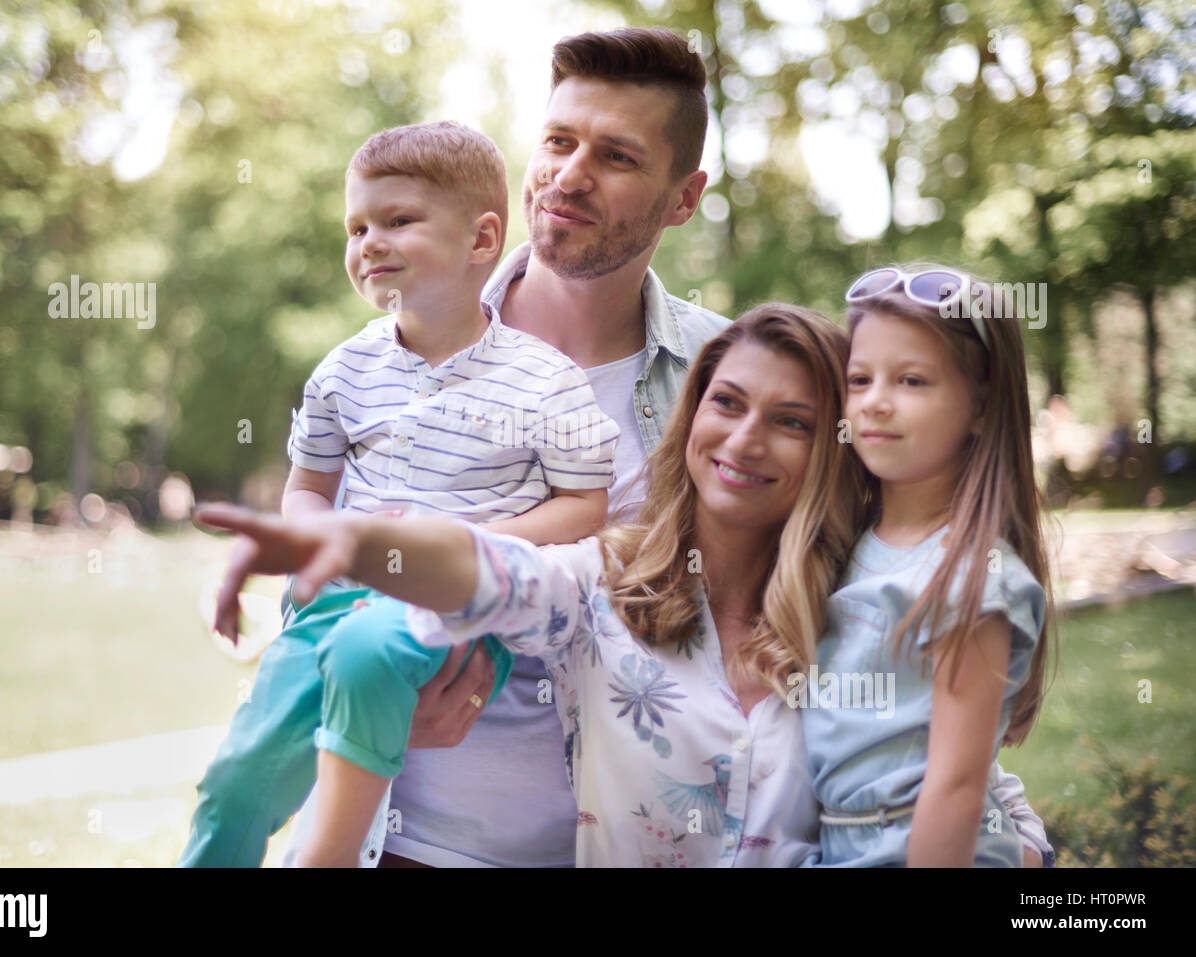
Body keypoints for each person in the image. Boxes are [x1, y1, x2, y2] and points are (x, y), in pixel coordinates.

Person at [290, 26, 1053, 868]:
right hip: (395, 836)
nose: (570, 175)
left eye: (616, 156)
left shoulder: (733, 388)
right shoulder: (393, 351)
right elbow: (309, 566)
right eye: (558, 141)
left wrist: (1004, 821)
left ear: (683, 198)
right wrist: (356, 690)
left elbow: (869, 599)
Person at [202, 304, 860, 865]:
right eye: (728, 401)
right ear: (692, 414)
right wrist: (350, 538)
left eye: (791, 421)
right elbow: (480, 567)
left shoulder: (863, 618)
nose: (746, 439)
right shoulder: (603, 587)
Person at [179, 121, 621, 867]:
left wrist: (472, 541)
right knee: (237, 781)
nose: (369, 243)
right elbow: (306, 490)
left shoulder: (545, 379)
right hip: (332, 603)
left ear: (482, 240)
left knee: (364, 653)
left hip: (453, 606)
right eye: (357, 226)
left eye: (397, 221)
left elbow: (587, 506)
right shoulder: (344, 372)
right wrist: (325, 538)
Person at [800, 265, 1056, 866]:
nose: (876, 403)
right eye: (859, 380)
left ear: (980, 406)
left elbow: (957, 790)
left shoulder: (973, 577)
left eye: (912, 381)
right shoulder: (846, 542)